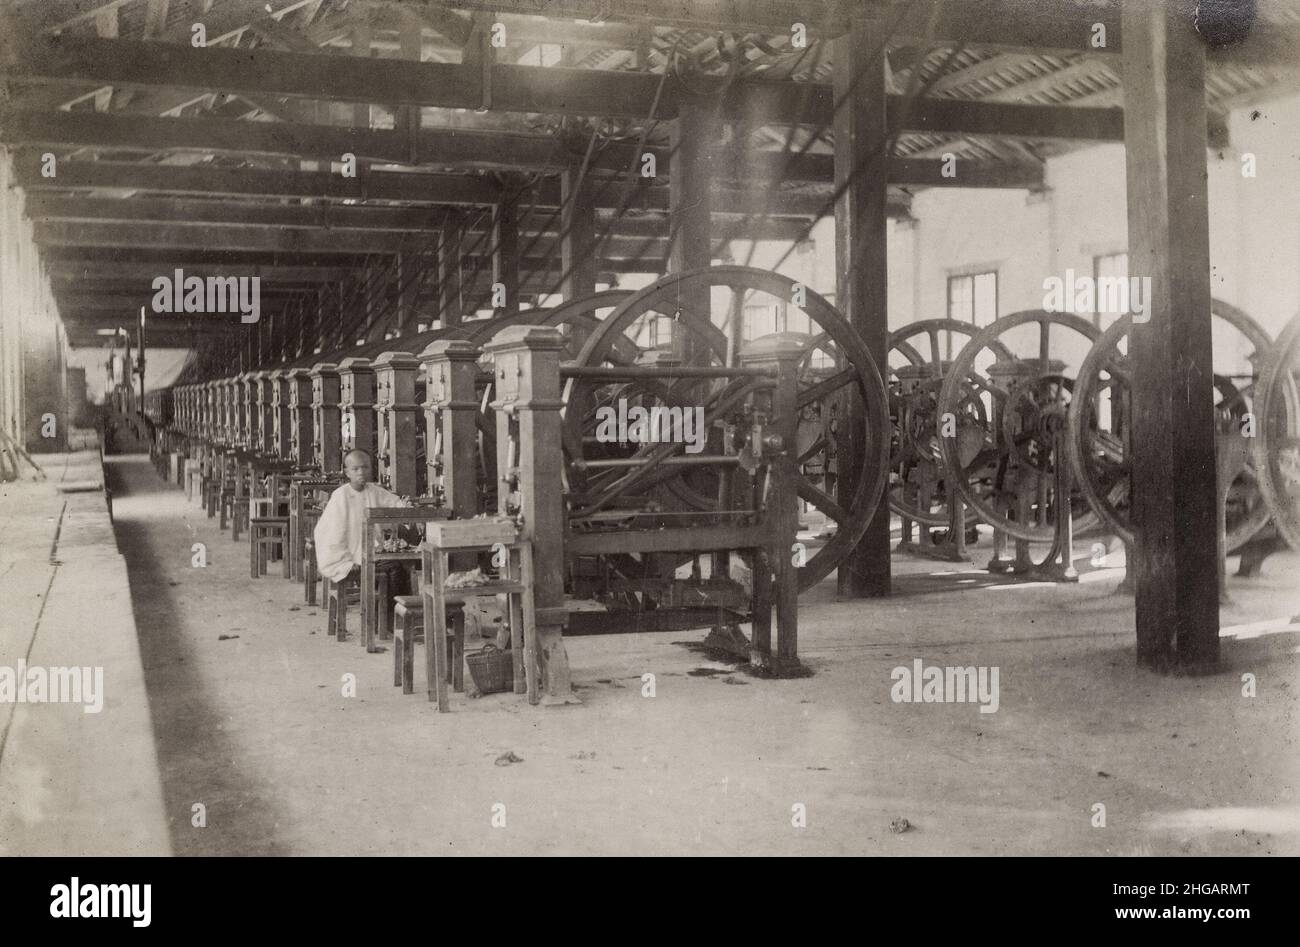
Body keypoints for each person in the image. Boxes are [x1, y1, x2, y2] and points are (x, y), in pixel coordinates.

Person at [313, 448, 413, 600]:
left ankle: (391, 614)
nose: (361, 472)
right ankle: (383, 618)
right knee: (395, 569)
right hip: (348, 558)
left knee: (404, 568)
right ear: (347, 472)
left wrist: (408, 508)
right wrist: (345, 562)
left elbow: (396, 503)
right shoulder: (340, 496)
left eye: (365, 467)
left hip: (371, 554)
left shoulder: (375, 491)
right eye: (355, 469)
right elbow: (327, 534)